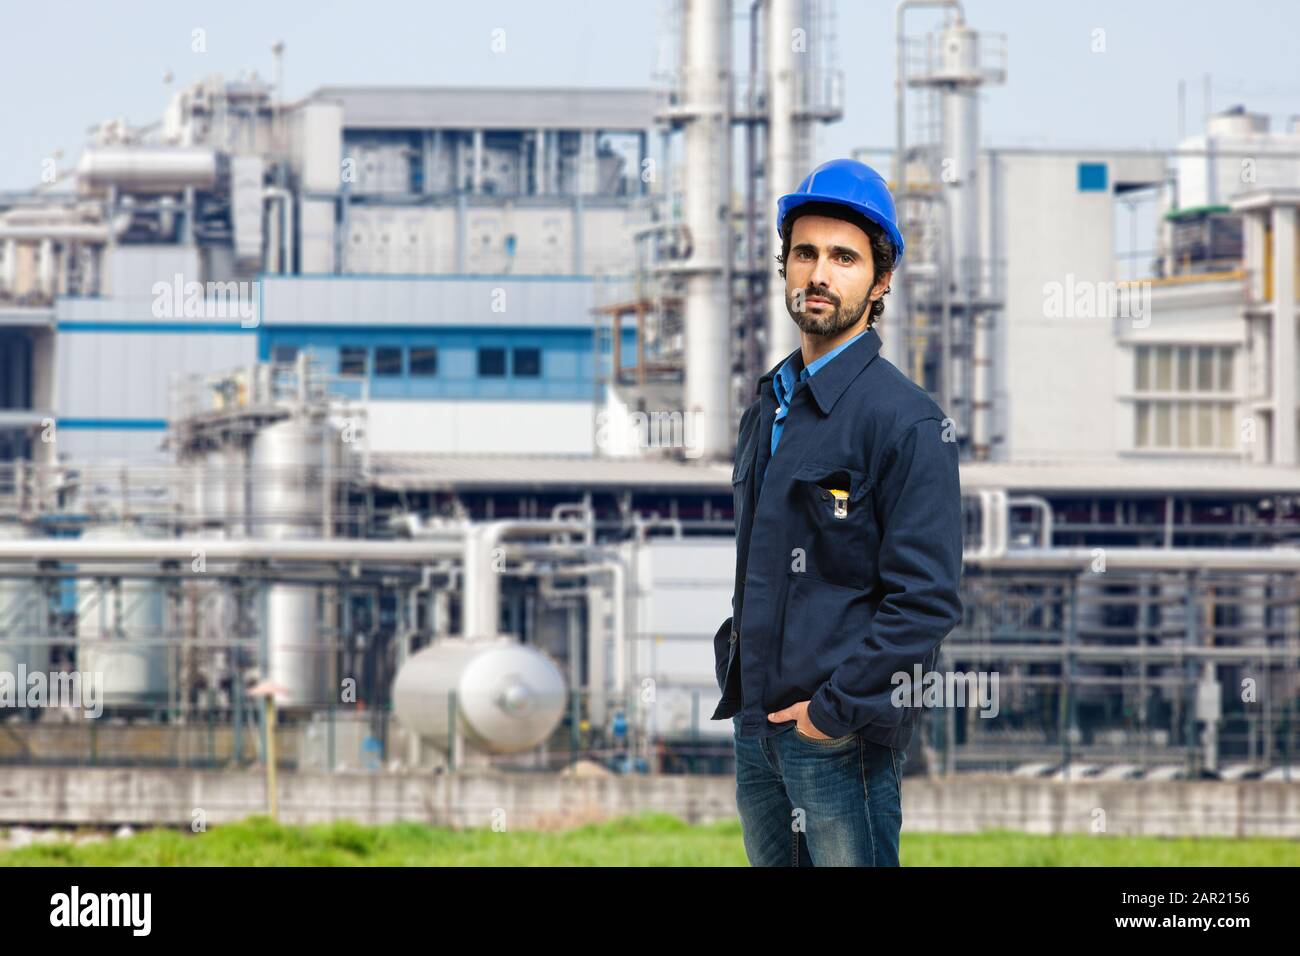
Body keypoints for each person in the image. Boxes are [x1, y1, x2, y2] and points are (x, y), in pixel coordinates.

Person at [710, 158, 964, 866]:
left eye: (844, 258)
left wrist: (832, 713)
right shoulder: (769, 406)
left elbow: (927, 601)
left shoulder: (906, 422)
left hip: (838, 738)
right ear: (786, 266)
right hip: (758, 728)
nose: (820, 273)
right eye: (806, 254)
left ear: (880, 281)